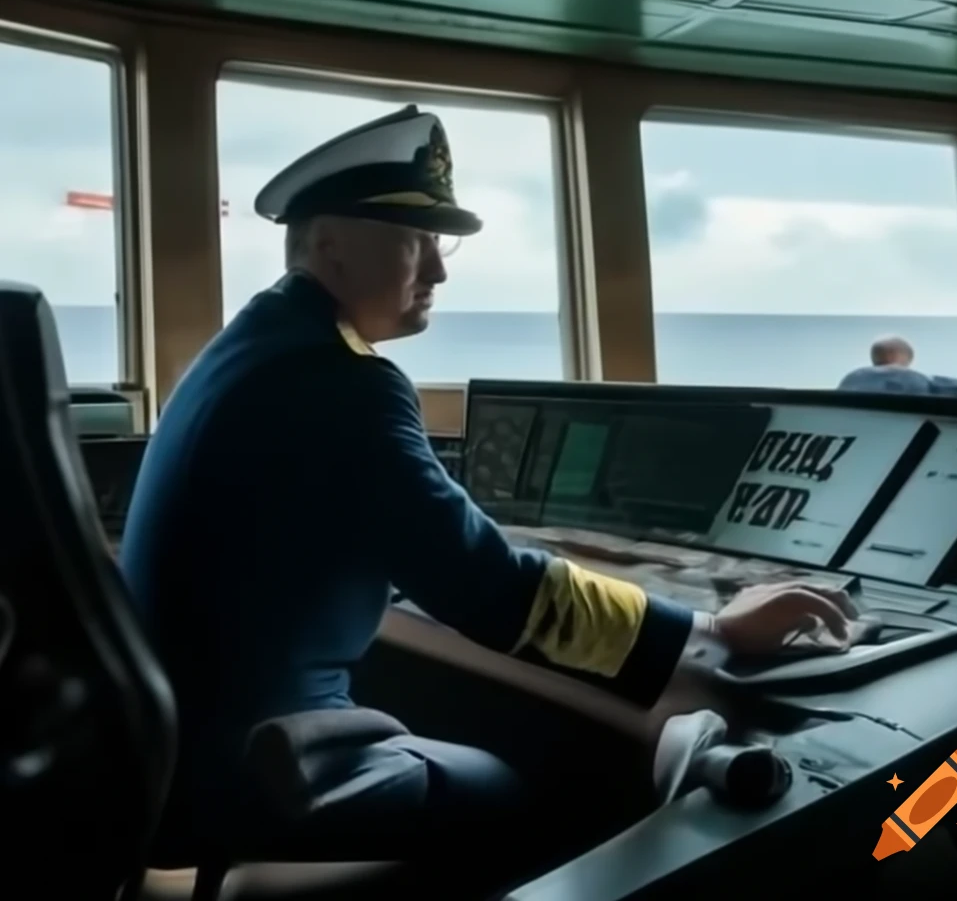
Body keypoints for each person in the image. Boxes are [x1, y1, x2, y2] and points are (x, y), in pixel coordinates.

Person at [119, 106, 856, 890]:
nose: (438, 271)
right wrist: (711, 631)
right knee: (508, 791)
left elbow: (333, 537)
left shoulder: (255, 347)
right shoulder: (340, 381)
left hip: (171, 748)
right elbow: (490, 586)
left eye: (442, 245)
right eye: (417, 240)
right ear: (330, 245)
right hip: (247, 761)